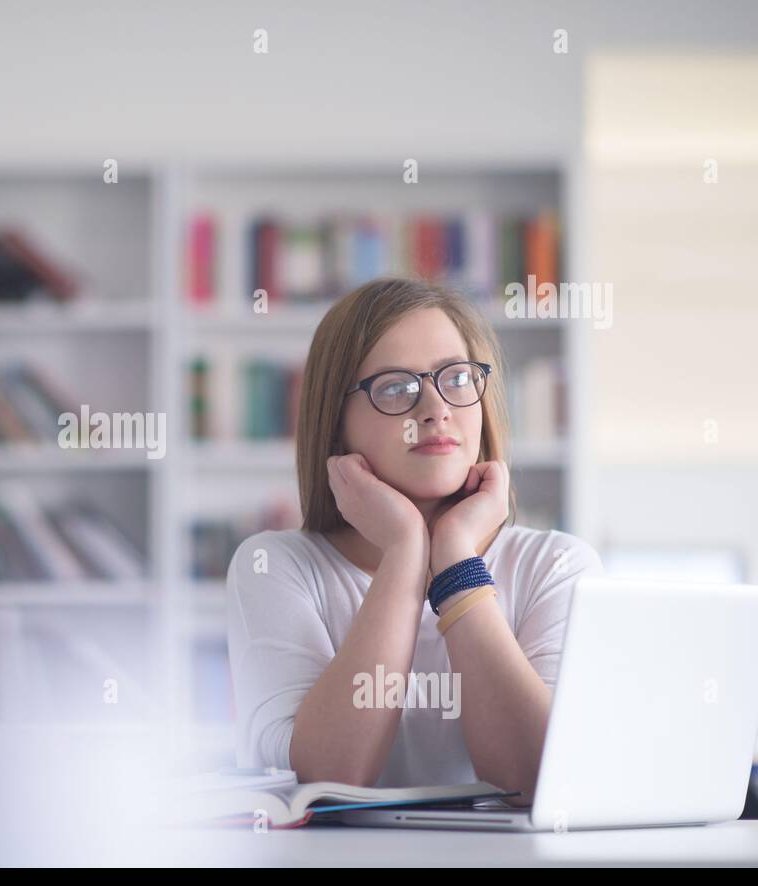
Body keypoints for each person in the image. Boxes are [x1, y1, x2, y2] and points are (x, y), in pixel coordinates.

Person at [226, 277, 603, 804]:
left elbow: (536, 779)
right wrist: (405, 551)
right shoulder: (274, 566)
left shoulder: (556, 566)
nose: (435, 408)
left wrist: (456, 561)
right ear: (336, 425)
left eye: (456, 378)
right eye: (395, 388)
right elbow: (328, 780)